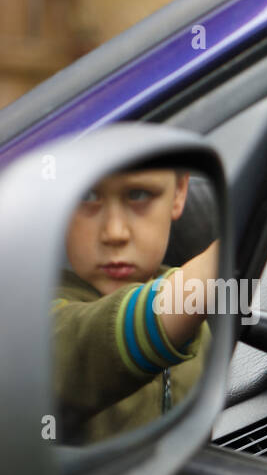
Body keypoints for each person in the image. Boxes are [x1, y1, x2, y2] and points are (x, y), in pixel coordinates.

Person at [53, 166, 217, 444]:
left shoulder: (198, 309)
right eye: (87, 195)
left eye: (139, 194)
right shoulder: (31, 310)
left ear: (179, 193)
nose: (114, 233)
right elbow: (78, 347)